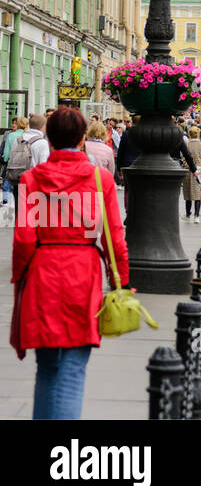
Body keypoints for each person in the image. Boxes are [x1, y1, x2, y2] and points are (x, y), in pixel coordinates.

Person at [10, 105, 129, 420]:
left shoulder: (32, 179)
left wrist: (20, 276)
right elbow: (114, 237)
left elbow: (23, 238)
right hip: (82, 271)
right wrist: (122, 282)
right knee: (74, 366)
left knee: (47, 366)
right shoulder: (99, 178)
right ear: (82, 140)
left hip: (42, 270)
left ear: (48, 140)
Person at [183, 126, 201, 220]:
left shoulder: (187, 145)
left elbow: (183, 158)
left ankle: (187, 214)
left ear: (189, 134)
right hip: (200, 171)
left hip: (189, 170)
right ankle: (196, 216)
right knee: (198, 193)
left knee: (188, 194)